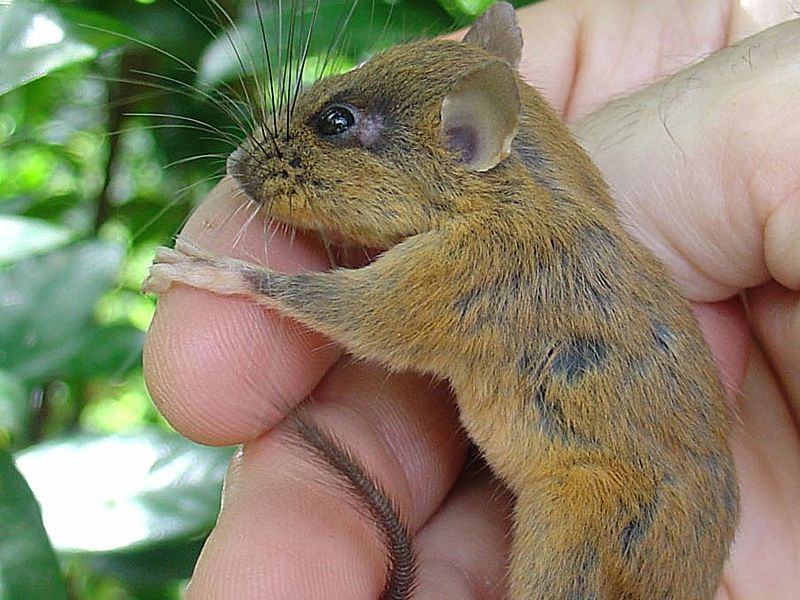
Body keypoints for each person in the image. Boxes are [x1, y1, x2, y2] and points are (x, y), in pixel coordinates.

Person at [143, 0, 800, 597]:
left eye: (337, 124)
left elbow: (375, 319)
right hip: (675, 489)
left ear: (466, 142)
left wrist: (244, 279)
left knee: (573, 521)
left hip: (618, 500)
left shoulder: (499, 246)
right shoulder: (515, 224)